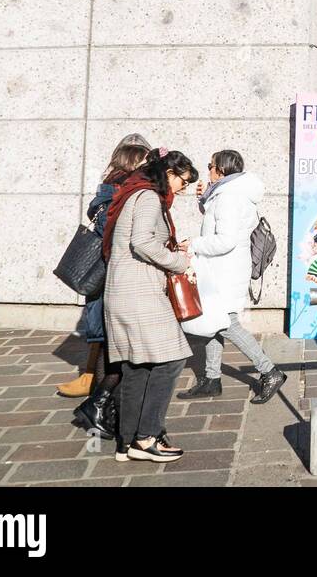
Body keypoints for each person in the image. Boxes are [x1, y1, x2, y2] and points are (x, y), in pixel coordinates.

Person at [102, 148, 198, 462]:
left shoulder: (135, 193)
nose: (182, 189)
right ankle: (147, 437)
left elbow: (141, 239)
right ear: (168, 173)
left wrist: (168, 246)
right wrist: (178, 262)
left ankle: (126, 443)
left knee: (137, 367)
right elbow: (141, 242)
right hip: (138, 293)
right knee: (172, 359)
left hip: (122, 291)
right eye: (182, 182)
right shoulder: (148, 198)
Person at [177, 150, 287, 405]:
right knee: (214, 321)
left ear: (221, 170)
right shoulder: (230, 192)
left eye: (210, 166)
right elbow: (218, 223)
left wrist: (192, 244)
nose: (208, 170)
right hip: (225, 269)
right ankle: (212, 379)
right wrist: (204, 198)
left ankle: (270, 371)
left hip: (224, 270)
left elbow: (225, 240)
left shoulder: (228, 197)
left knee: (225, 323)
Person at [68, 138, 152, 438]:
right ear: (131, 164)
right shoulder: (114, 194)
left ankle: (104, 410)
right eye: (144, 163)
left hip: (110, 279)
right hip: (108, 281)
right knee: (111, 347)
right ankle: (100, 410)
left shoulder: (116, 190)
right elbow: (111, 236)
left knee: (112, 346)